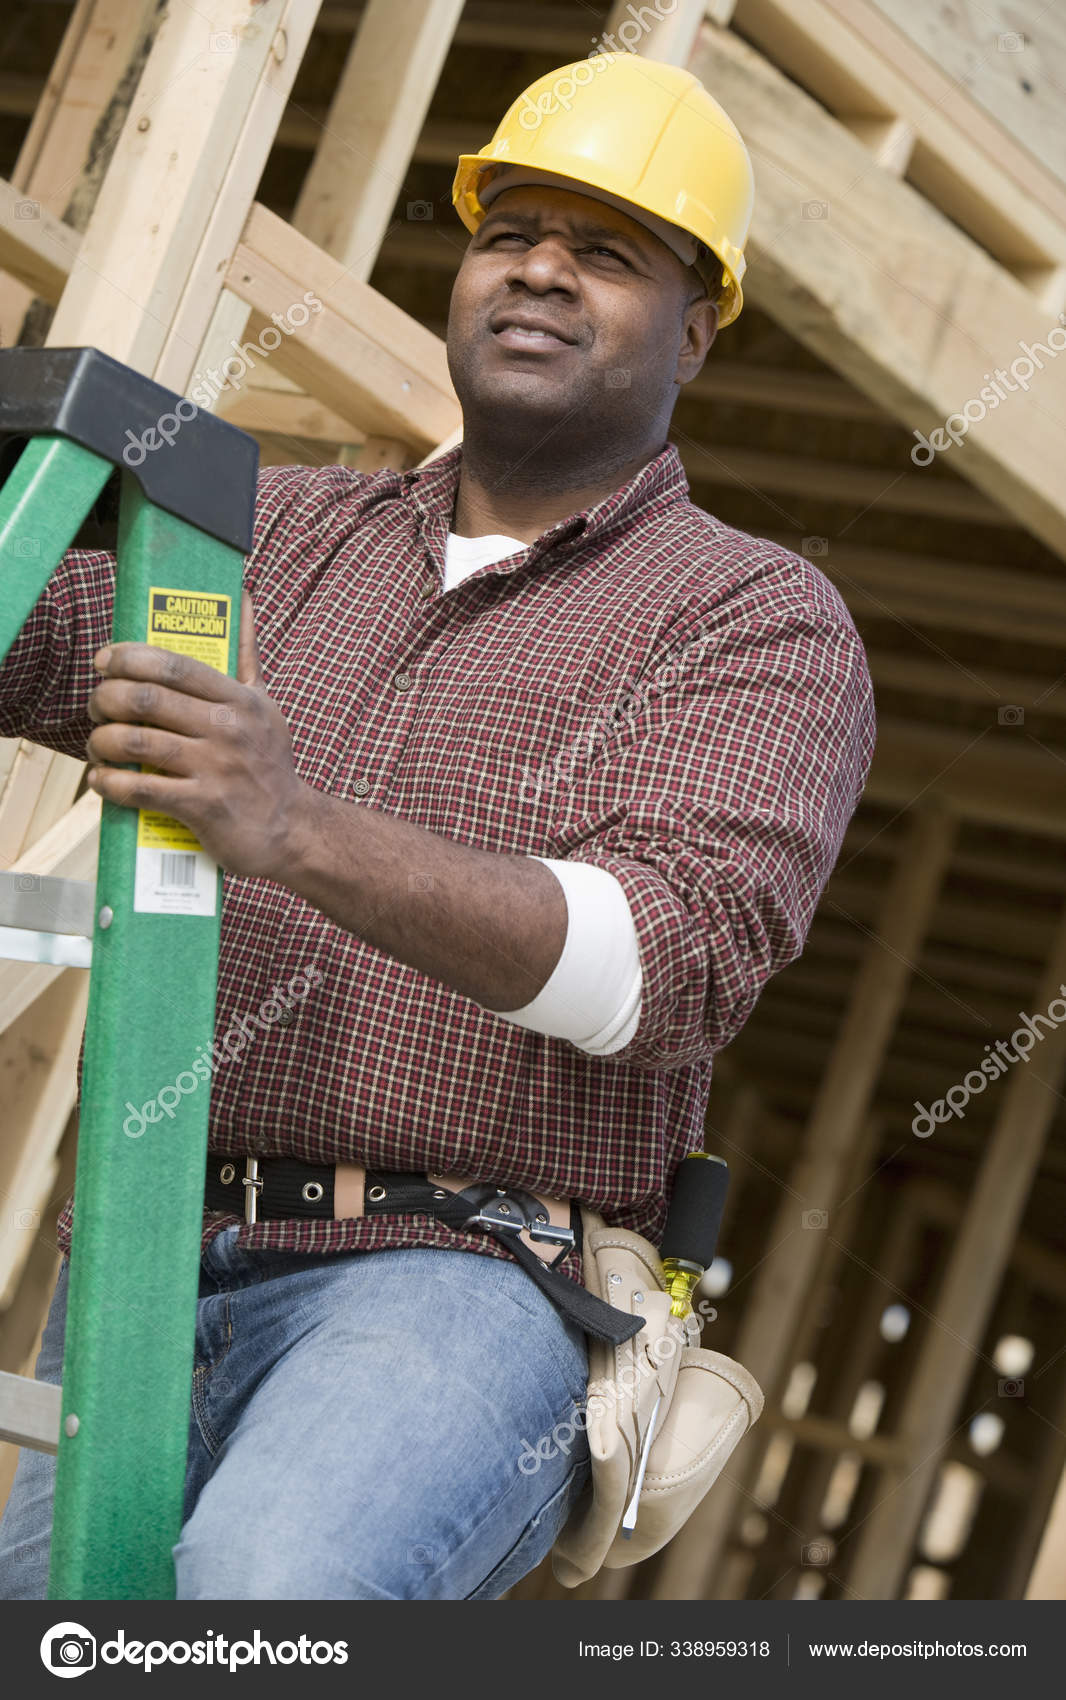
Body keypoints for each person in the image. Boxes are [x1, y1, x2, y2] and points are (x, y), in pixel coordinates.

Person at [0, 53, 875, 1600]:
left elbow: (661, 969)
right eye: (509, 232)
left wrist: (294, 826)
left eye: (605, 250)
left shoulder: (750, 619)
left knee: (261, 1605)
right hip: (141, 1253)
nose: (539, 268)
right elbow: (30, 640)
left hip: (457, 1281)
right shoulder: (271, 530)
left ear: (699, 324)